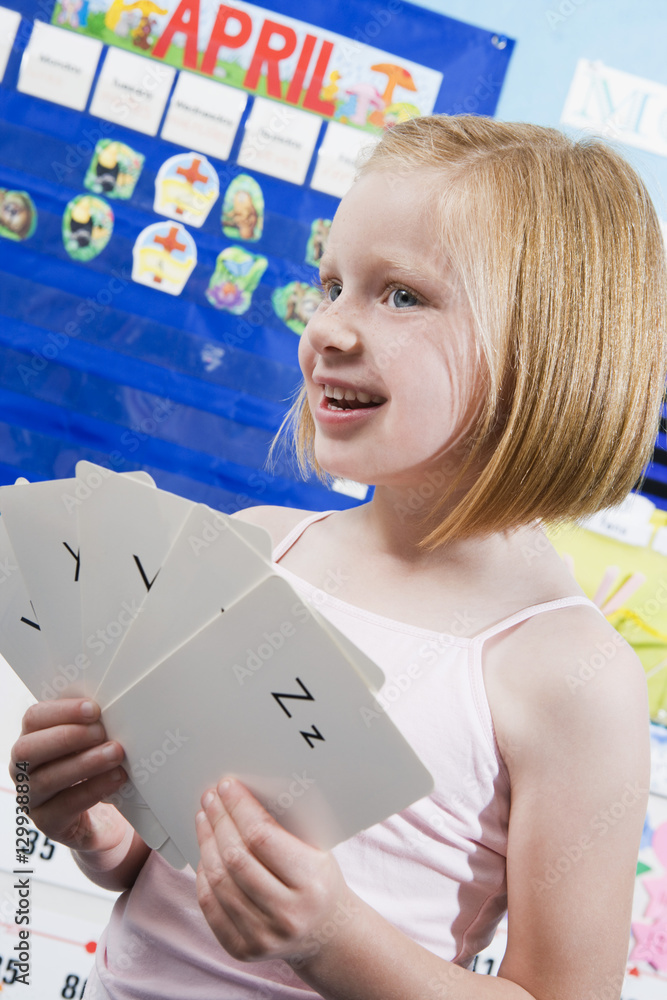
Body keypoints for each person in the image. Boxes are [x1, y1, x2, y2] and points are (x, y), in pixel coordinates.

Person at [10, 115, 666, 999]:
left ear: (547, 350)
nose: (327, 329)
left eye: (399, 295)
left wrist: (331, 939)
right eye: (329, 285)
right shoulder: (265, 542)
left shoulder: (569, 672)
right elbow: (164, 871)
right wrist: (97, 825)